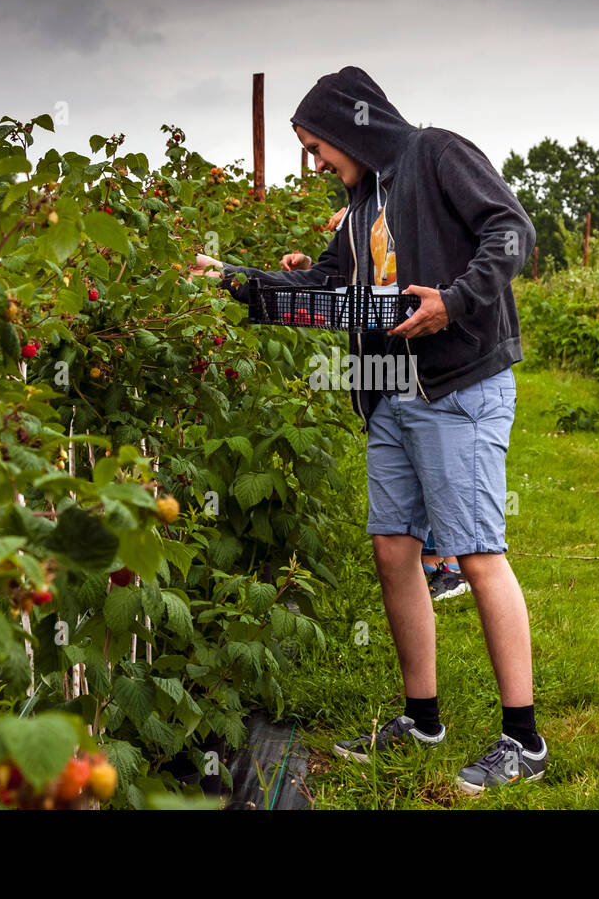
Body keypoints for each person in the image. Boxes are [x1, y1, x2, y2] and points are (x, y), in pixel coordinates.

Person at [191, 66, 544, 794]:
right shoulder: (359, 206)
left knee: (476, 554)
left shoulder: (438, 155)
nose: (318, 164)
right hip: (388, 395)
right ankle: (422, 718)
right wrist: (231, 278)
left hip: (459, 386)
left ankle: (523, 740)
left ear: (350, 126)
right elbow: (325, 291)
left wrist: (454, 300)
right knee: (394, 551)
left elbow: (512, 232)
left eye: (319, 147)